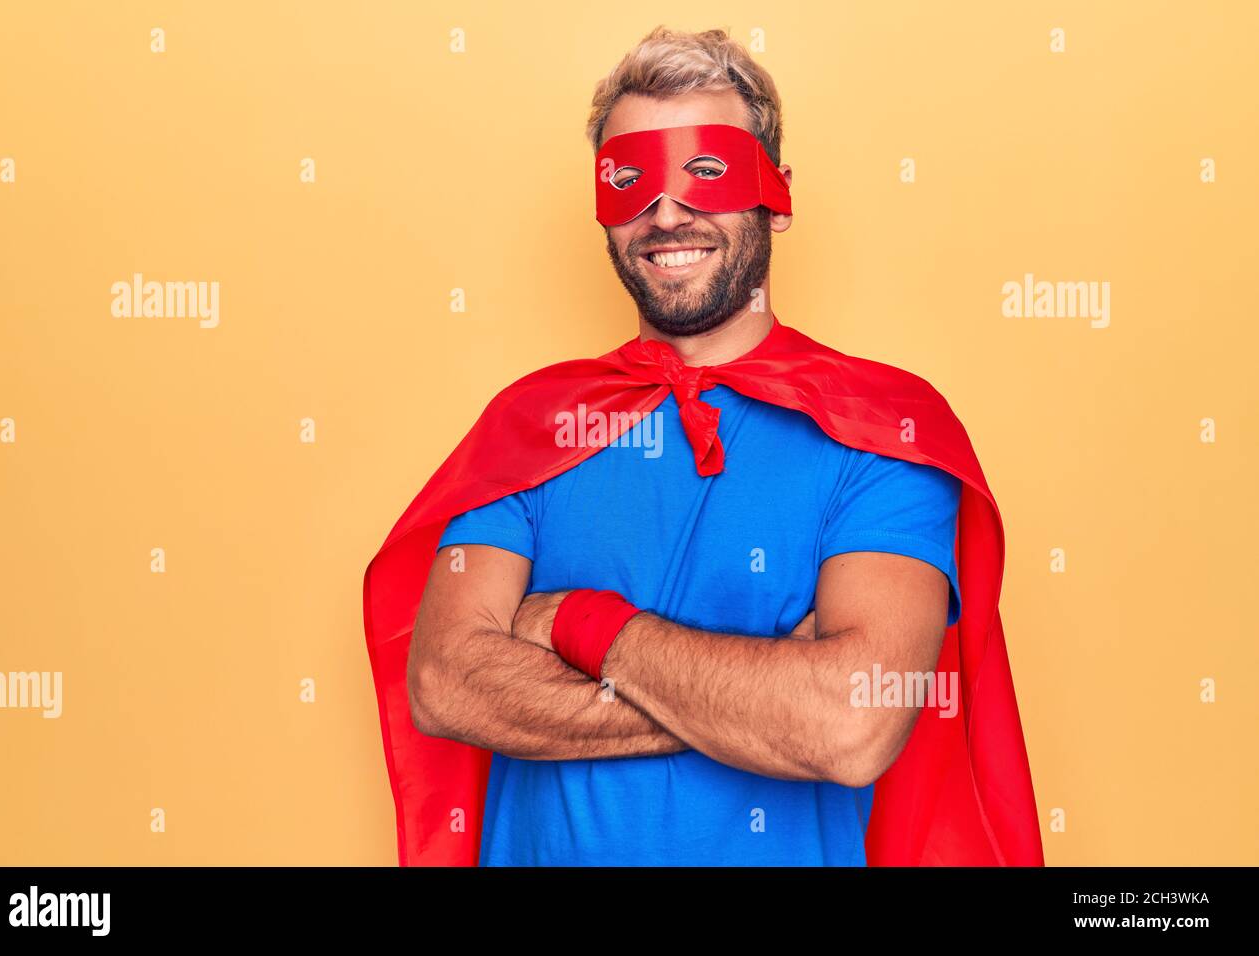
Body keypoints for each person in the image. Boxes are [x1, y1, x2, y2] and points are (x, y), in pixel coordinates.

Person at [365, 26, 1042, 867]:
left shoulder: (884, 426)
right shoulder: (532, 424)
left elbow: (850, 725)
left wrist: (581, 623)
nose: (667, 212)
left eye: (707, 171)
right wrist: (758, 702)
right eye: (630, 180)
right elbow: (444, 684)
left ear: (778, 195)